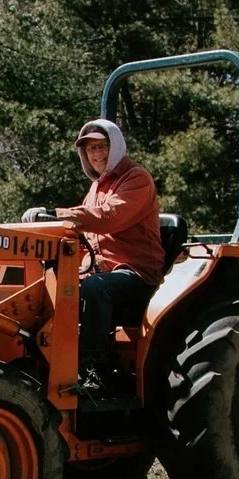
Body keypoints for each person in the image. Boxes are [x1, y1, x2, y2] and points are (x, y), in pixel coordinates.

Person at [27, 119, 164, 395]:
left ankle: (93, 371)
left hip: (136, 273)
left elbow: (109, 217)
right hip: (101, 272)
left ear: (115, 147)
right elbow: (84, 227)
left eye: (102, 147)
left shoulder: (136, 179)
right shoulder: (96, 188)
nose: (97, 154)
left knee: (93, 289)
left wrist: (58, 214)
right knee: (45, 288)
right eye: (90, 149)